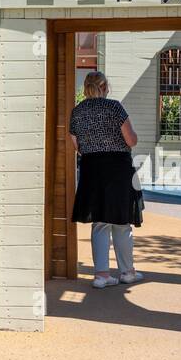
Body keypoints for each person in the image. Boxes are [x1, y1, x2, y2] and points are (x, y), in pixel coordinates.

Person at [69, 71, 141, 288]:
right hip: (118, 168)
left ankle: (101, 275)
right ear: (104, 87)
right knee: (122, 222)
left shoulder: (78, 111)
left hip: (92, 168)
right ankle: (127, 272)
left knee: (100, 222)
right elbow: (131, 139)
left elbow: (75, 144)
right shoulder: (114, 107)